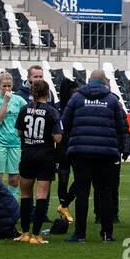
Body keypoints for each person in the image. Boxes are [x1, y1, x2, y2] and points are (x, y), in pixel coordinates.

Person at [60, 69, 130, 243]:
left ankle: (80, 234)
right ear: (104, 82)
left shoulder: (77, 98)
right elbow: (122, 127)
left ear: (89, 81)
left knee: (82, 193)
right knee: (105, 193)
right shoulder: (113, 100)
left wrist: (72, 143)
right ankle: (107, 233)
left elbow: (64, 123)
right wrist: (124, 148)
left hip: (81, 153)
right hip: (106, 154)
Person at [15, 78, 62, 244]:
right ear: (47, 93)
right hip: (45, 156)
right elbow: (57, 136)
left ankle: (25, 233)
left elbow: (19, 132)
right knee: (41, 195)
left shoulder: (24, 109)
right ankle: (36, 235)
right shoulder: (52, 111)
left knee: (25, 195)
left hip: (27, 154)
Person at [51, 76, 81, 228]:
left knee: (80, 178)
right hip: (62, 148)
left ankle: (65, 203)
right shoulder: (57, 108)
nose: (76, 94)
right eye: (74, 92)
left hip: (76, 146)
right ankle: (64, 208)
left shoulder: (78, 106)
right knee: (63, 179)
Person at [0, 72, 23, 188]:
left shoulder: (19, 100)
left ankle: (12, 204)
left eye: (9, 85)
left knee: (14, 180)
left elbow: (27, 115)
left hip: (15, 143)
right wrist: (5, 102)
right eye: (4, 86)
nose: (7, 88)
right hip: (0, 143)